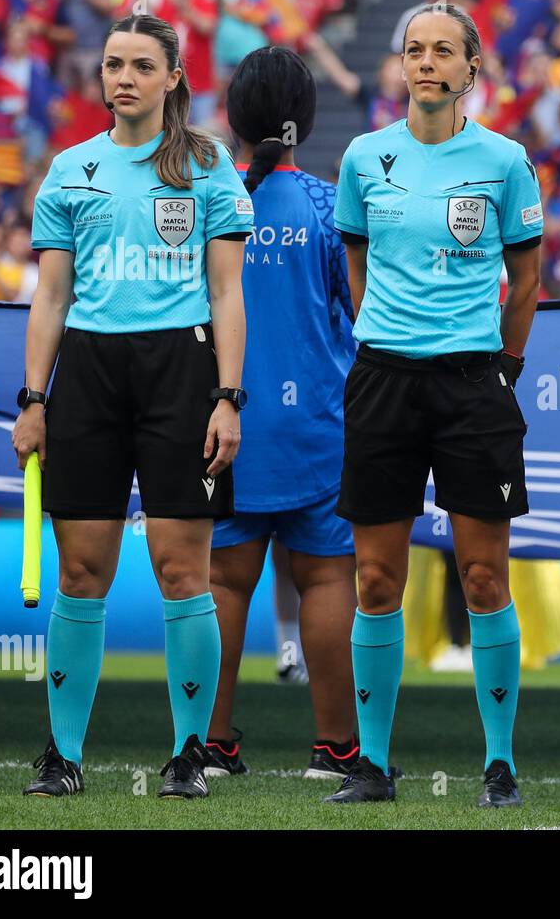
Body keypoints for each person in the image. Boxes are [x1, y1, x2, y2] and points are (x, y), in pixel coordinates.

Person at [12, 14, 253, 799]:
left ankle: (188, 756)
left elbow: (226, 294)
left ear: (173, 77)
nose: (124, 77)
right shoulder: (70, 169)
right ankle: (64, 757)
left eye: (142, 66)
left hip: (181, 372)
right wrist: (33, 400)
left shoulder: (211, 166)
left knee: (183, 570)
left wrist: (227, 397)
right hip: (87, 371)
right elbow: (50, 298)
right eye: (114, 64)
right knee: (83, 571)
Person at [323, 2, 543, 808]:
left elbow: (526, 281)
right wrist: (383, 336)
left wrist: (504, 367)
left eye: (442, 51)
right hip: (382, 379)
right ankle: (372, 766)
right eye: (414, 49)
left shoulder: (504, 160)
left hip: (471, 383)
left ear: (470, 69)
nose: (425, 62)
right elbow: (357, 265)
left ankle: (499, 764)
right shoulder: (361, 156)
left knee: (484, 573)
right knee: (377, 578)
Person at [201, 45, 361, 782]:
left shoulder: (210, 202)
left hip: (225, 426)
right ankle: (334, 749)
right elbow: (356, 314)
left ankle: (212, 741)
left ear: (234, 118)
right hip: (320, 426)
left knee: (223, 584)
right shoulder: (331, 208)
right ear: (307, 120)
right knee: (328, 582)